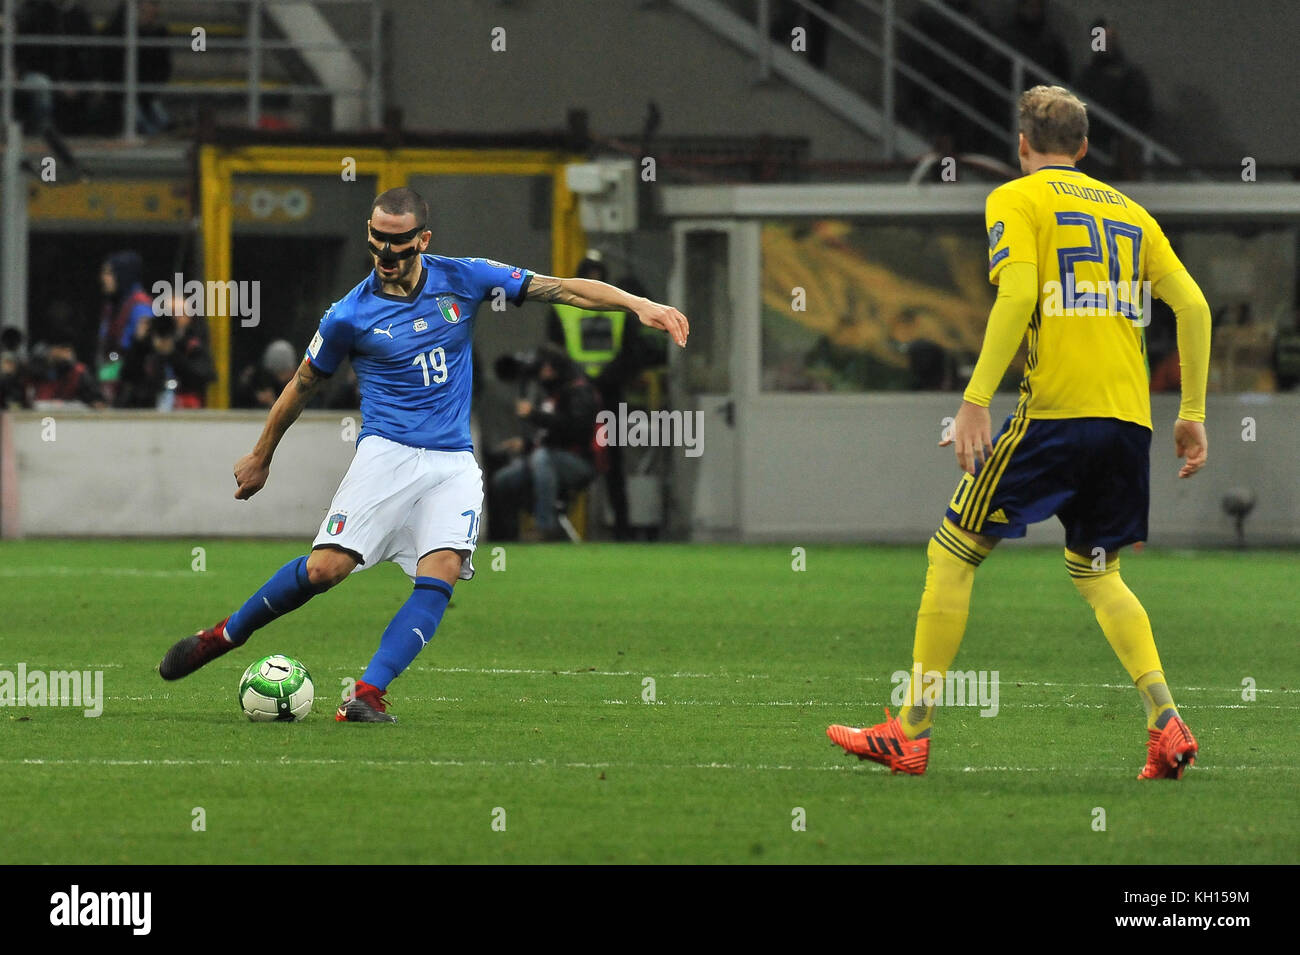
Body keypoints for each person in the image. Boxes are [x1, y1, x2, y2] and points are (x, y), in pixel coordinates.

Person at [157, 186, 689, 722]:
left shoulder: (466, 276)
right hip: (385, 455)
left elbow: (563, 290)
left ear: (423, 239)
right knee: (325, 572)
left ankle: (366, 694)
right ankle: (225, 636)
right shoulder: (348, 315)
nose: (386, 255)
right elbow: (302, 384)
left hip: (452, 462)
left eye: (398, 243)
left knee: (443, 571)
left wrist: (638, 303)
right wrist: (261, 454)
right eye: (377, 241)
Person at [827, 86, 1211, 781]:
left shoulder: (1017, 198)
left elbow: (1019, 293)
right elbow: (1194, 304)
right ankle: (1164, 719)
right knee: (1098, 572)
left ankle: (909, 730)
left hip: (1057, 417)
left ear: (1022, 144)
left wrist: (975, 400)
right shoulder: (1132, 213)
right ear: (1086, 147)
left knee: (952, 553)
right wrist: (1194, 413)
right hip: (1127, 424)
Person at [489, 344, 599, 541]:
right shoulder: (551, 393)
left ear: (551, 367)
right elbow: (551, 435)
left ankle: (545, 527)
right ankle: (509, 535)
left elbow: (576, 430)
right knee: (504, 479)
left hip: (580, 462)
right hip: (550, 457)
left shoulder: (578, 390)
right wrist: (527, 444)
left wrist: (534, 415)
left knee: (541, 458)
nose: (540, 375)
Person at [1076, 18, 1153, 180]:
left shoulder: (1130, 73)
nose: (1105, 43)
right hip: (1095, 134)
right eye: (1101, 39)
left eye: (1109, 38)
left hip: (1122, 135)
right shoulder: (1087, 75)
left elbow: (1140, 108)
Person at [96, 250, 153, 402]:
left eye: (109, 273)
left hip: (134, 387)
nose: (103, 278)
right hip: (112, 379)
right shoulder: (112, 306)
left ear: (123, 274)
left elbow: (142, 353)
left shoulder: (141, 307)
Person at [28, 327, 105, 407]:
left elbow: (94, 397)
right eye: (63, 349)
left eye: (69, 350)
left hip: (68, 413)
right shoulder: (34, 369)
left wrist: (96, 402)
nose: (67, 354)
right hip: (38, 413)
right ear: (51, 349)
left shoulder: (78, 371)